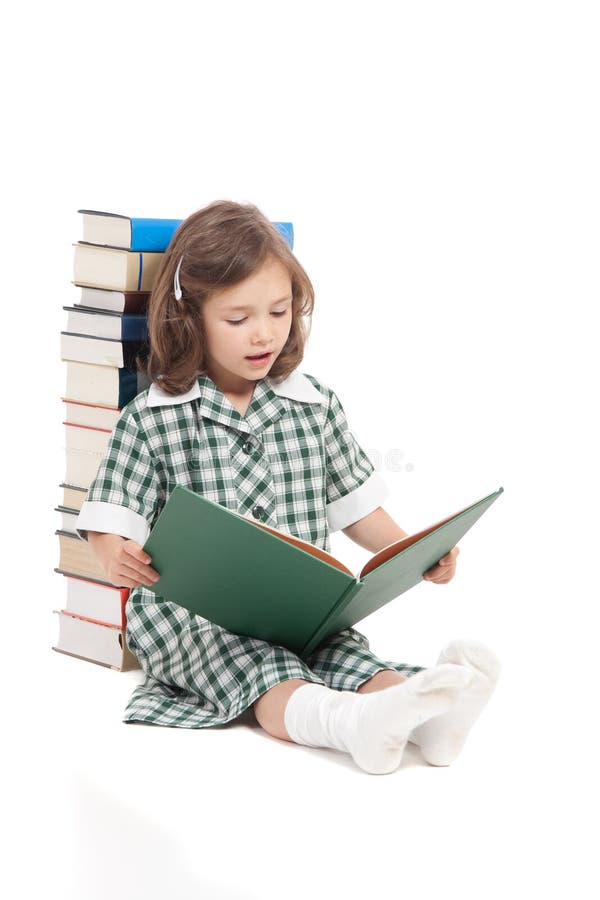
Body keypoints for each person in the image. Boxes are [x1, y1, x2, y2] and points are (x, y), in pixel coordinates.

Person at [76, 200, 500, 775]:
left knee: (346, 652)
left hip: (300, 611)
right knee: (256, 665)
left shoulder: (313, 405)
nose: (264, 334)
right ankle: (345, 726)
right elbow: (108, 518)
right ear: (190, 317)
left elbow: (357, 508)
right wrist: (112, 553)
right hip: (195, 619)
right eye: (238, 318)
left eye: (279, 312)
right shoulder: (153, 417)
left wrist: (413, 551)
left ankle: (427, 715)